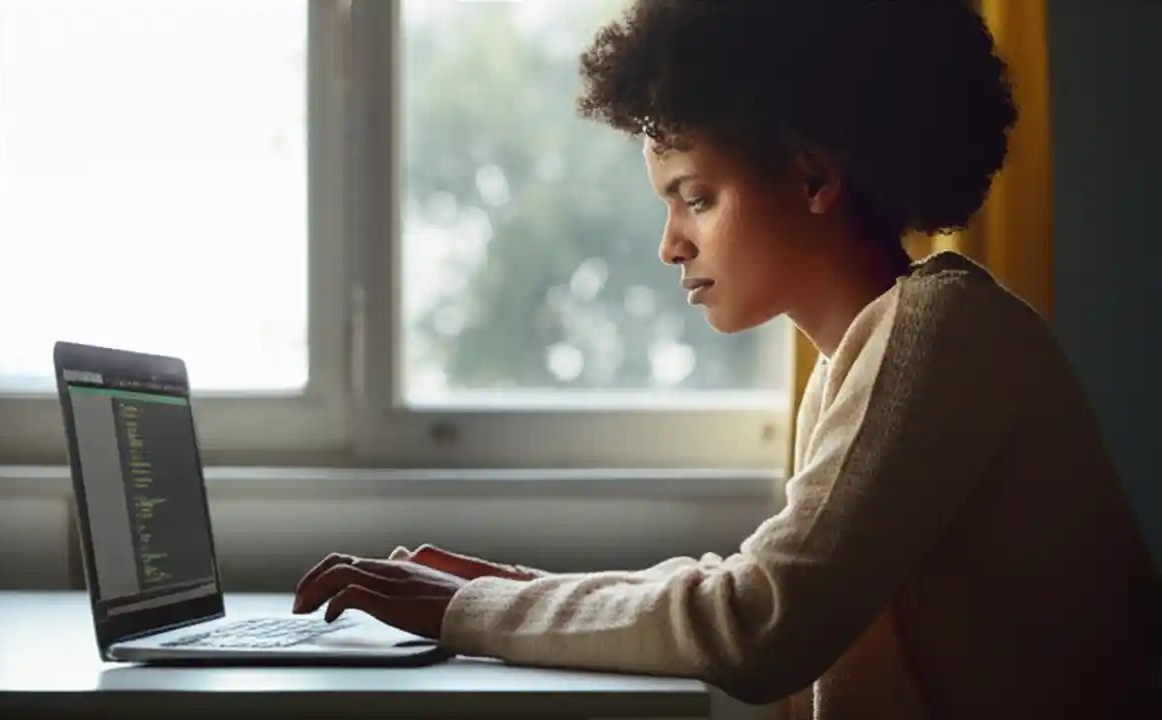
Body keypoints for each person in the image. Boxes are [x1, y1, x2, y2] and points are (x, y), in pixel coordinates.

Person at [293, 1, 1160, 716]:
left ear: (816, 177)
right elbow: (763, 584)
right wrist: (513, 585)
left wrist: (470, 610)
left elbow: (759, 622)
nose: (671, 245)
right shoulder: (858, 359)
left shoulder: (941, 330)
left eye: (696, 199)